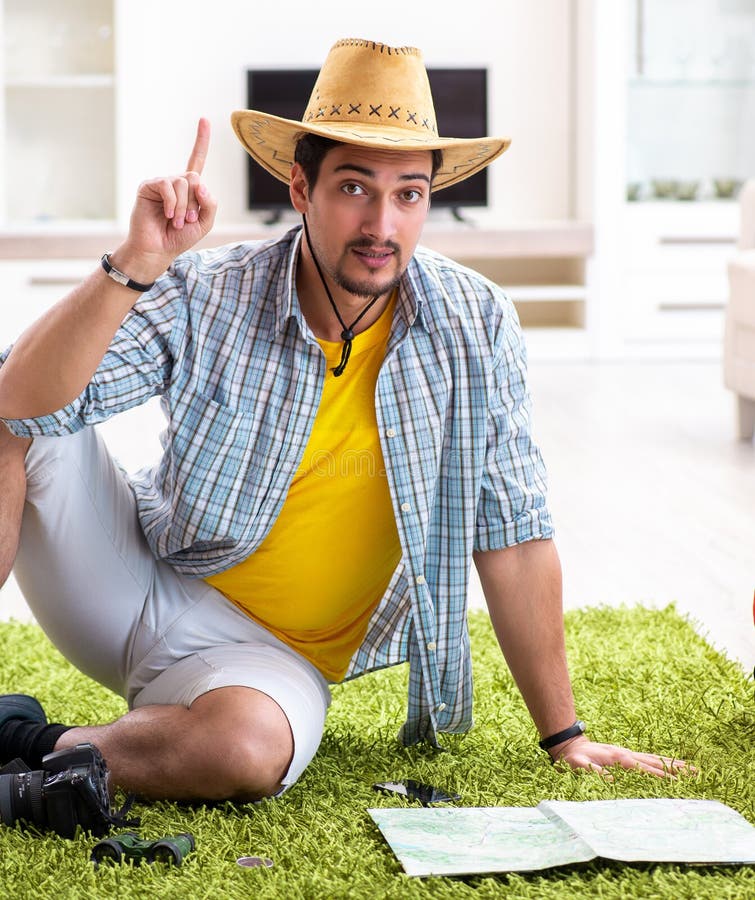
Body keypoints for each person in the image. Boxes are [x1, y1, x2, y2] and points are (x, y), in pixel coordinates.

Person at [0, 38, 690, 802]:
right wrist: (134, 263)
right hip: (136, 576)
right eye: (355, 187)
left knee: (242, 752)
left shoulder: (474, 322)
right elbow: (21, 398)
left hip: (271, 659)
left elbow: (514, 535)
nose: (382, 224)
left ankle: (28, 741)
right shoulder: (209, 287)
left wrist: (566, 737)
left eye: (408, 194)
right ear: (301, 188)